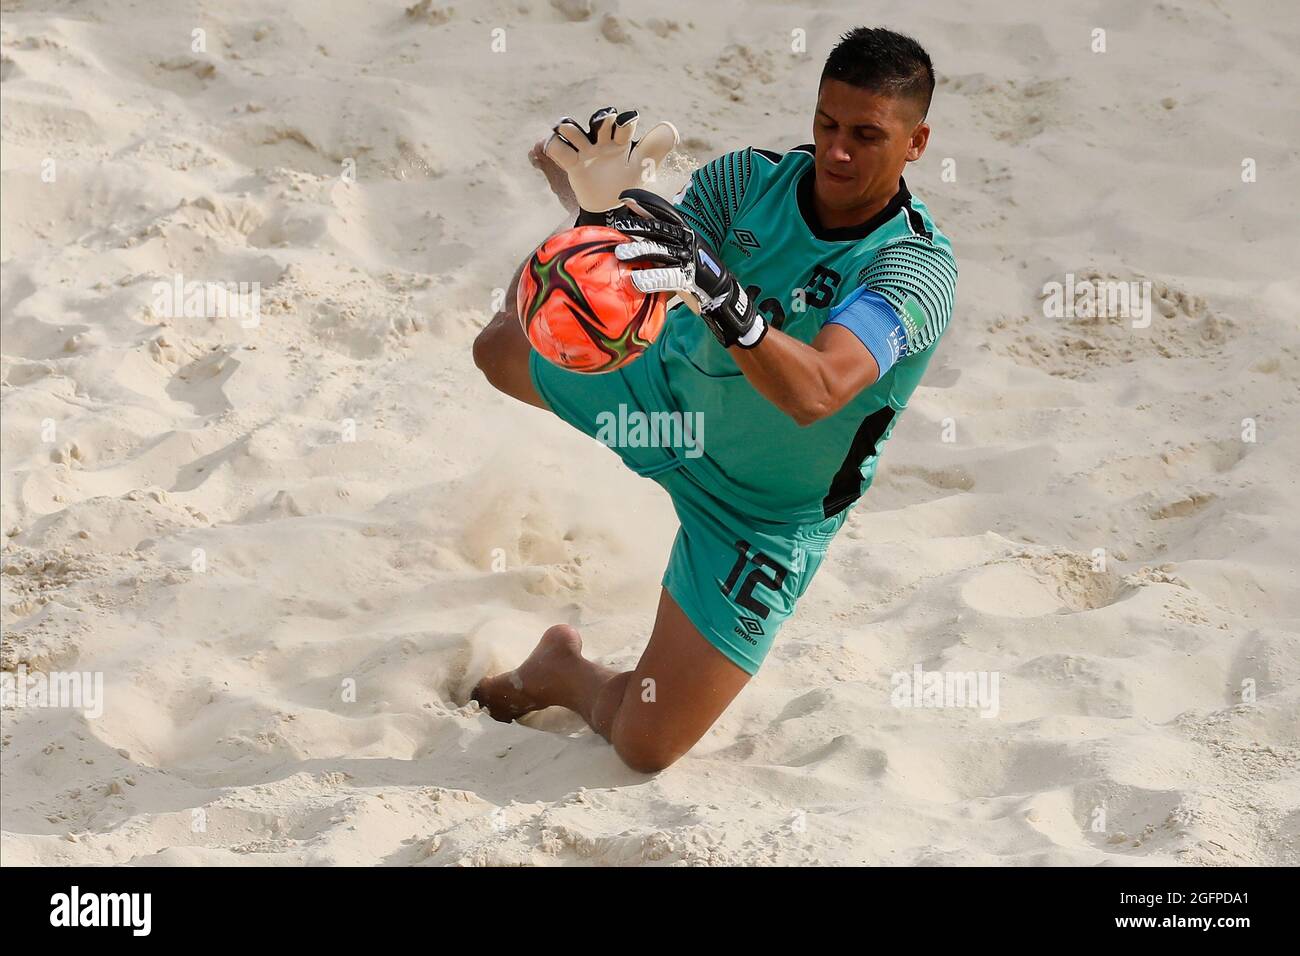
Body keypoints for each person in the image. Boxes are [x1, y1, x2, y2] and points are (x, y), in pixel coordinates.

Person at [470, 27, 958, 773]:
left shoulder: (911, 267)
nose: (837, 151)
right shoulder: (743, 183)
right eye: (827, 124)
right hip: (664, 402)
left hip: (763, 515)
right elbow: (632, 282)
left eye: (866, 135)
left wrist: (724, 297)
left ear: (917, 141)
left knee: (646, 745)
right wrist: (597, 218)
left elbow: (818, 392)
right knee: (499, 349)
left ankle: (561, 672)